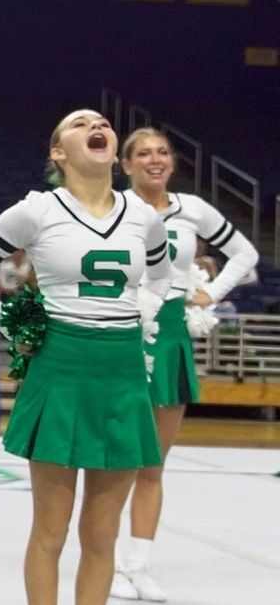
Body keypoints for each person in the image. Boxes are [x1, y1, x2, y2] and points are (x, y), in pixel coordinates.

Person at [0, 109, 172, 605]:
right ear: (58, 152)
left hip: (123, 370)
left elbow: (160, 278)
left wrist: (145, 314)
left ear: (114, 148)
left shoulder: (143, 217)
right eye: (79, 123)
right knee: (50, 530)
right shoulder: (35, 211)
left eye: (104, 123)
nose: (97, 125)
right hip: (61, 365)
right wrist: (11, 323)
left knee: (101, 534)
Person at [112, 127, 259, 601]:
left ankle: (138, 566)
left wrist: (210, 293)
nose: (155, 160)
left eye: (163, 153)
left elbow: (245, 254)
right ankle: (107, 561)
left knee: (152, 463)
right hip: (121, 334)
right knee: (115, 460)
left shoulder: (193, 209)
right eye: (143, 154)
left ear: (171, 162)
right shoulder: (114, 208)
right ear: (126, 164)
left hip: (172, 332)